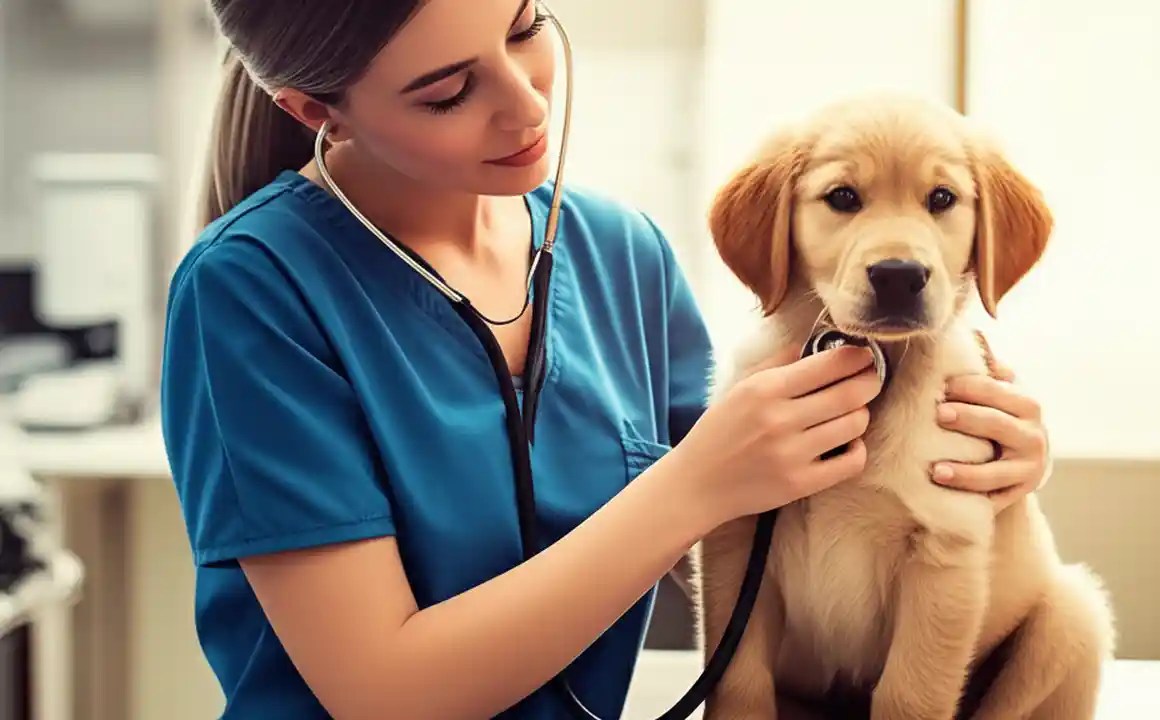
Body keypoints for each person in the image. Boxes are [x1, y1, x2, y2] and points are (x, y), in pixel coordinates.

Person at [159, 1, 1052, 718]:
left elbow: (775, 515)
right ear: (316, 109)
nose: (526, 104)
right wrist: (701, 484)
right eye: (446, 91)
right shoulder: (251, 292)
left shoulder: (616, 252)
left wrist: (996, 464)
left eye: (523, 26)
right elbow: (386, 694)